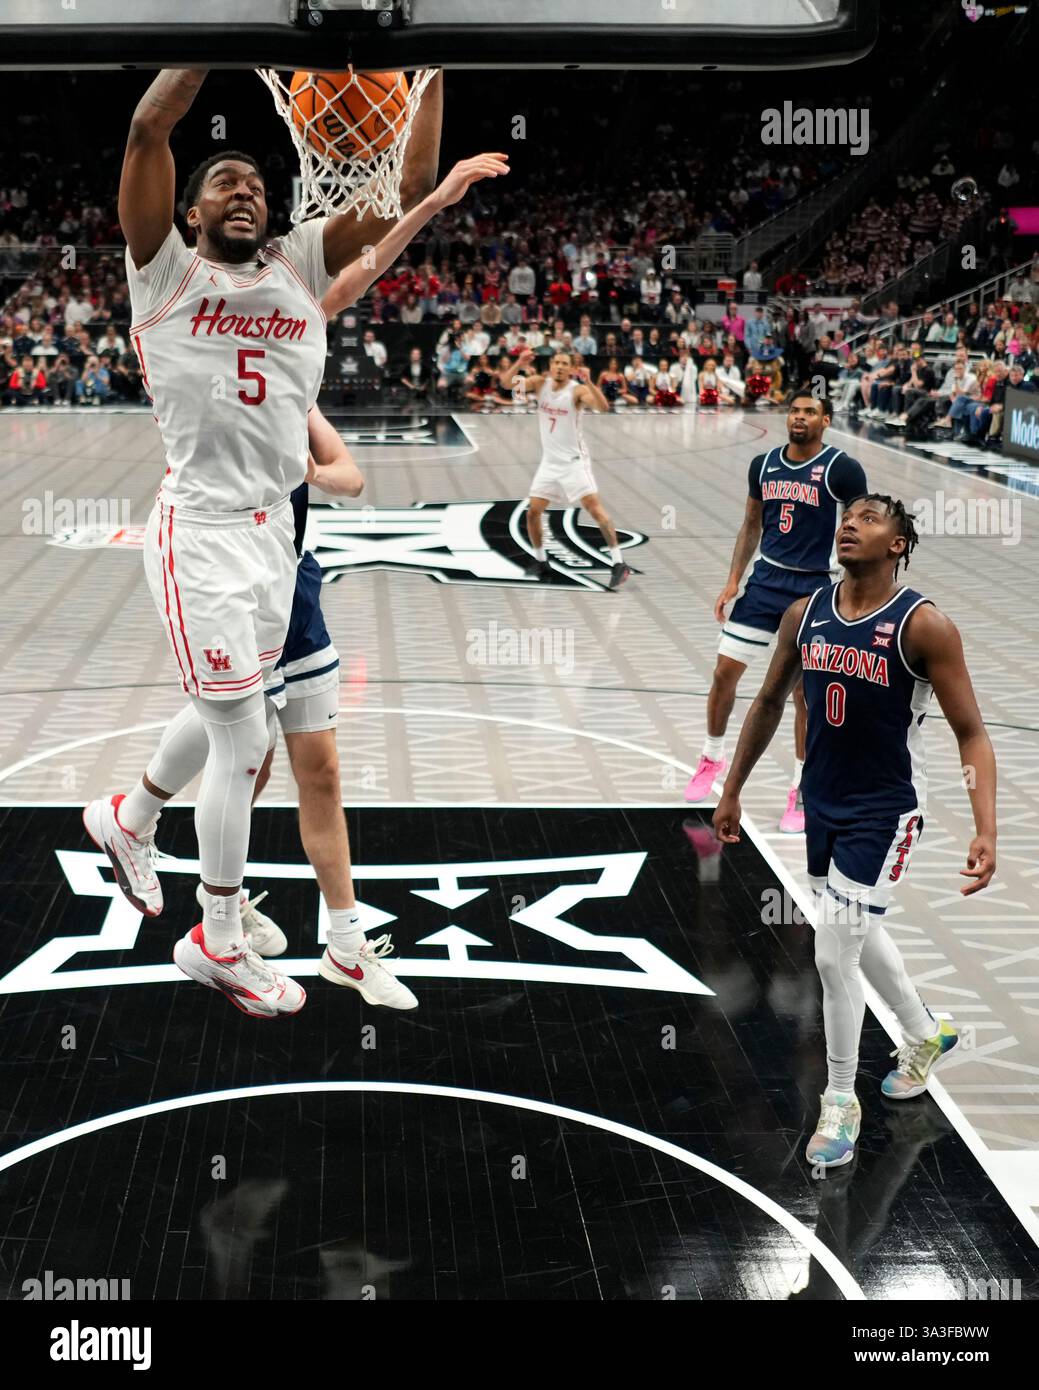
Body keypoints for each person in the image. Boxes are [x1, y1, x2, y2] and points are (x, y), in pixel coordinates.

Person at [82, 65, 506, 1017]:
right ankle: (217, 935)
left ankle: (128, 817)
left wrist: (430, 70)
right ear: (189, 212)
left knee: (235, 721)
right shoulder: (162, 269)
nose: (245, 191)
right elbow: (149, 129)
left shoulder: (297, 263)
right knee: (243, 735)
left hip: (276, 534)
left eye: (256, 185)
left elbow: (404, 189)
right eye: (223, 182)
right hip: (200, 535)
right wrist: (215, 32)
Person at [713, 494, 996, 1167]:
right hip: (823, 801)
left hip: (884, 810)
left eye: (869, 519)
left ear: (898, 545)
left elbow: (971, 732)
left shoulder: (923, 625)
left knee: (830, 952)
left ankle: (839, 1099)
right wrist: (732, 788)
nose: (849, 523)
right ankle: (925, 1032)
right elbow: (767, 701)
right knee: (852, 933)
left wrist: (985, 828)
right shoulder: (804, 613)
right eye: (848, 517)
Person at [685, 395, 867, 833]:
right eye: (794, 411)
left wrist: (856, 592)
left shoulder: (842, 469)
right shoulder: (763, 465)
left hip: (815, 586)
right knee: (724, 672)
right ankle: (712, 755)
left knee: (804, 694)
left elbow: (861, 528)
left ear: (825, 420)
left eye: (809, 412)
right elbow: (751, 523)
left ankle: (802, 787)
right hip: (766, 582)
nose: (799, 418)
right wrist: (733, 579)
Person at [499, 350, 633, 591]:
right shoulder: (539, 384)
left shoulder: (577, 391)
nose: (560, 367)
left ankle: (619, 563)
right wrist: (519, 362)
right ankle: (541, 562)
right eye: (557, 362)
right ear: (551, 365)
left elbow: (603, 408)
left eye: (565, 364)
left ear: (571, 369)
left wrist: (590, 382)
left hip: (573, 462)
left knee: (595, 510)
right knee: (533, 513)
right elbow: (506, 384)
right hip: (549, 463)